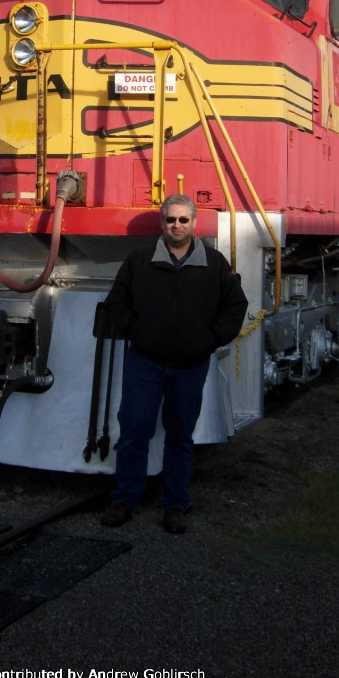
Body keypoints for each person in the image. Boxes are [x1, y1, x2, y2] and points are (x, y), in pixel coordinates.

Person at [99, 194, 248, 534]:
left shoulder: (214, 263)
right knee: (135, 429)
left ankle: (175, 505)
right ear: (161, 223)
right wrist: (137, 332)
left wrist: (209, 340)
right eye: (170, 220)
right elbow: (116, 303)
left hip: (190, 367)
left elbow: (235, 306)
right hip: (144, 363)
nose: (176, 226)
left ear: (194, 223)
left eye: (183, 220)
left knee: (180, 436)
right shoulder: (138, 261)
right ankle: (124, 501)